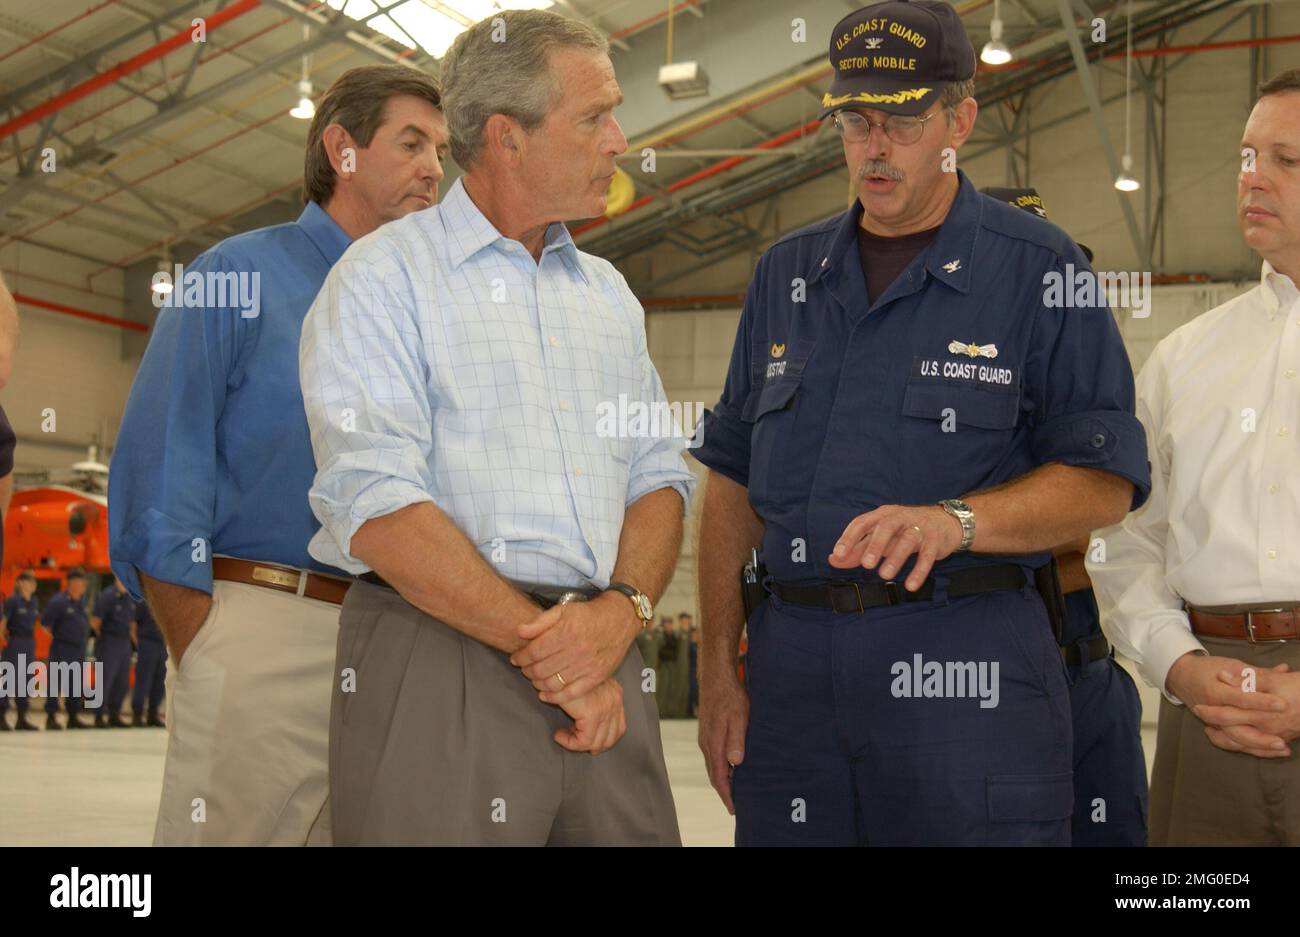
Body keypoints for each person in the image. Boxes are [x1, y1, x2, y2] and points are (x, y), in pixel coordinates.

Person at [692, 0, 1150, 846]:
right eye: (855, 122)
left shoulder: (1040, 269)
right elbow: (731, 479)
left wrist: (959, 521)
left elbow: (1103, 477)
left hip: (962, 664)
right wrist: (718, 671)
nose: (875, 145)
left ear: (960, 121)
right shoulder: (784, 276)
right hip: (793, 681)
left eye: (901, 121)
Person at [300, 9, 694, 845]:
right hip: (441, 658)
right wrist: (557, 654)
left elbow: (658, 478)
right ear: (507, 139)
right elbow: (375, 502)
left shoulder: (609, 297)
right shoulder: (381, 281)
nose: (621, 140)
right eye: (595, 117)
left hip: (607, 659)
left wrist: (619, 615)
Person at [107, 65, 448, 845]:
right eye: (412, 142)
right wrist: (204, 638)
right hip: (260, 624)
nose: (436, 167)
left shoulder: (427, 311)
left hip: (394, 643)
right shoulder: (236, 275)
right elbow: (162, 458)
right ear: (343, 150)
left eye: (442, 147)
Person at [1088, 69, 1300, 846]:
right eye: (1247, 157)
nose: (1254, 179)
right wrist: (1177, 664)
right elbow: (1125, 534)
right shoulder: (1183, 359)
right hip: (1204, 706)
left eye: (1287, 160)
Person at [982, 186, 1148, 847]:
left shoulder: (1092, 390)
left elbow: (1116, 524)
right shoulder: (956, 395)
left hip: (1090, 667)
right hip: (994, 678)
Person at [43, 569, 91, 730]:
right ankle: (51, 717)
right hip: (62, 647)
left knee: (75, 682)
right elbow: (45, 624)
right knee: (56, 681)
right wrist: (60, 637)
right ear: (72, 583)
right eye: (81, 582)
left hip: (78, 648)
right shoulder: (59, 601)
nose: (84, 585)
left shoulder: (82, 602)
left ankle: (72, 716)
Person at [91, 576, 135, 728]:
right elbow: (95, 621)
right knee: (104, 680)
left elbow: (130, 623)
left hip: (124, 643)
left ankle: (114, 714)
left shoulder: (129, 597)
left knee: (122, 682)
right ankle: (98, 715)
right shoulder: (107, 596)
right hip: (109, 641)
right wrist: (103, 639)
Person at [0, 571, 40, 731]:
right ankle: (1, 715)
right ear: (21, 583)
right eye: (29, 582)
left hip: (29, 642)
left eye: (34, 582)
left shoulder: (34, 602)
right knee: (9, 678)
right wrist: (4, 641)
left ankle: (22, 717)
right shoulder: (12, 601)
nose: (33, 585)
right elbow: (3, 623)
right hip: (15, 641)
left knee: (27, 679)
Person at [131, 600, 167, 728]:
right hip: (147, 642)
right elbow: (133, 624)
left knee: (159, 681)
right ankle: (137, 714)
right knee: (143, 680)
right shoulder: (144, 601)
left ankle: (153, 714)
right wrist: (137, 643)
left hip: (162, 644)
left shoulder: (166, 603)